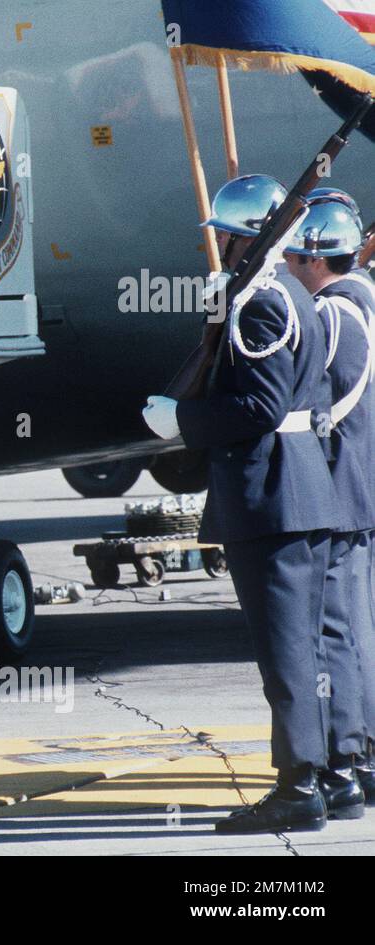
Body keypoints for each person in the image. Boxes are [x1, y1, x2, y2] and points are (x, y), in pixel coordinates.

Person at [143, 174, 338, 834]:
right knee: (302, 650)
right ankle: (319, 774)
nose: (219, 246)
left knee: (284, 652)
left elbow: (261, 406)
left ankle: (299, 786)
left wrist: (183, 418)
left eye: (225, 236)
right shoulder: (293, 296)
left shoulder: (260, 304)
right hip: (299, 492)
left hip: (272, 495)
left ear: (241, 238)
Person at [285, 192, 375, 815]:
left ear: (314, 257)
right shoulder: (361, 298)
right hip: (359, 486)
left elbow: (317, 403)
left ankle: (352, 757)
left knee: (340, 634)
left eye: (291, 253)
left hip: (341, 488)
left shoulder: (336, 314)